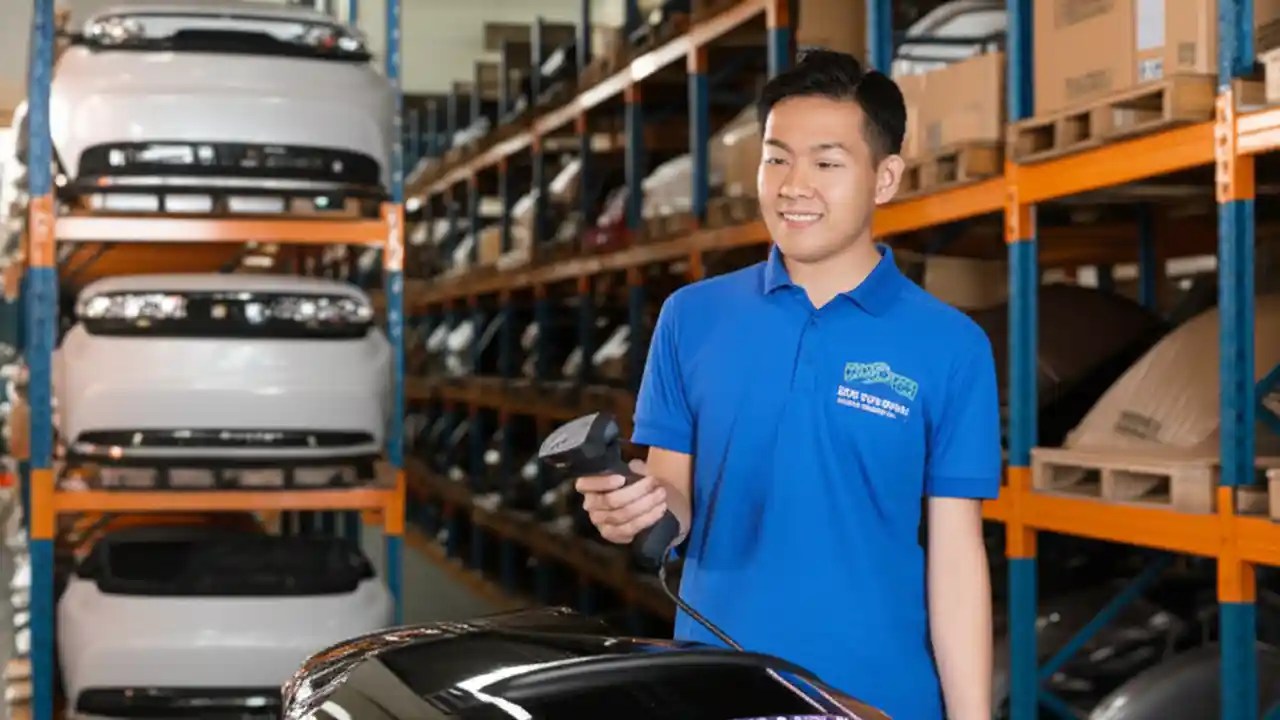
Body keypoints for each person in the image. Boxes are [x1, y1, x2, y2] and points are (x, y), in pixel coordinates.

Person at [574, 48, 1001, 720]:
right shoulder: (693, 317)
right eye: (777, 158)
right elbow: (676, 496)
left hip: (880, 699)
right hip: (719, 690)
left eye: (827, 163)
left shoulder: (951, 346)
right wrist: (638, 509)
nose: (793, 185)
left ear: (885, 178)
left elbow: (956, 557)